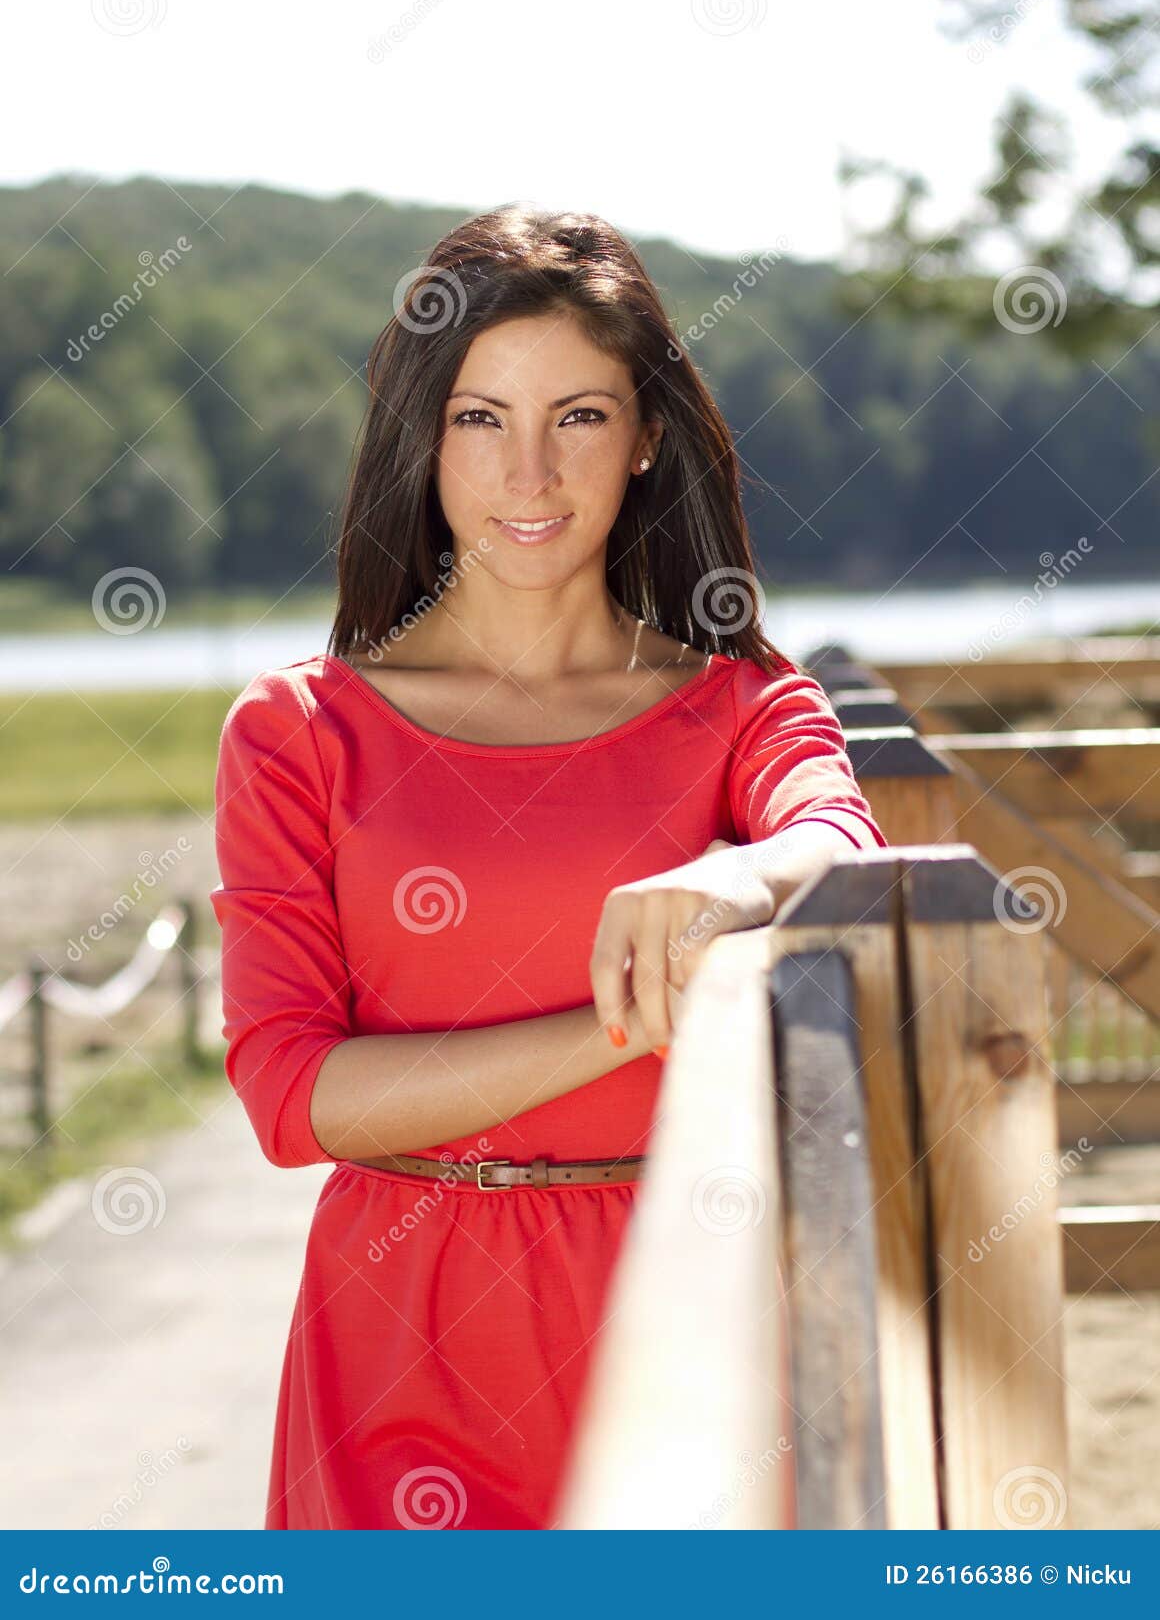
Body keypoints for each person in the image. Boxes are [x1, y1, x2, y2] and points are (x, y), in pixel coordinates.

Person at [210, 204, 887, 1530]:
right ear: (421, 437)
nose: (529, 472)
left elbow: (835, 833)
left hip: (697, 1312)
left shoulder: (743, 705)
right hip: (398, 1339)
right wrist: (628, 1017)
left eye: (578, 415)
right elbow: (294, 1096)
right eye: (478, 418)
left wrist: (735, 886)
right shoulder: (299, 731)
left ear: (644, 438)